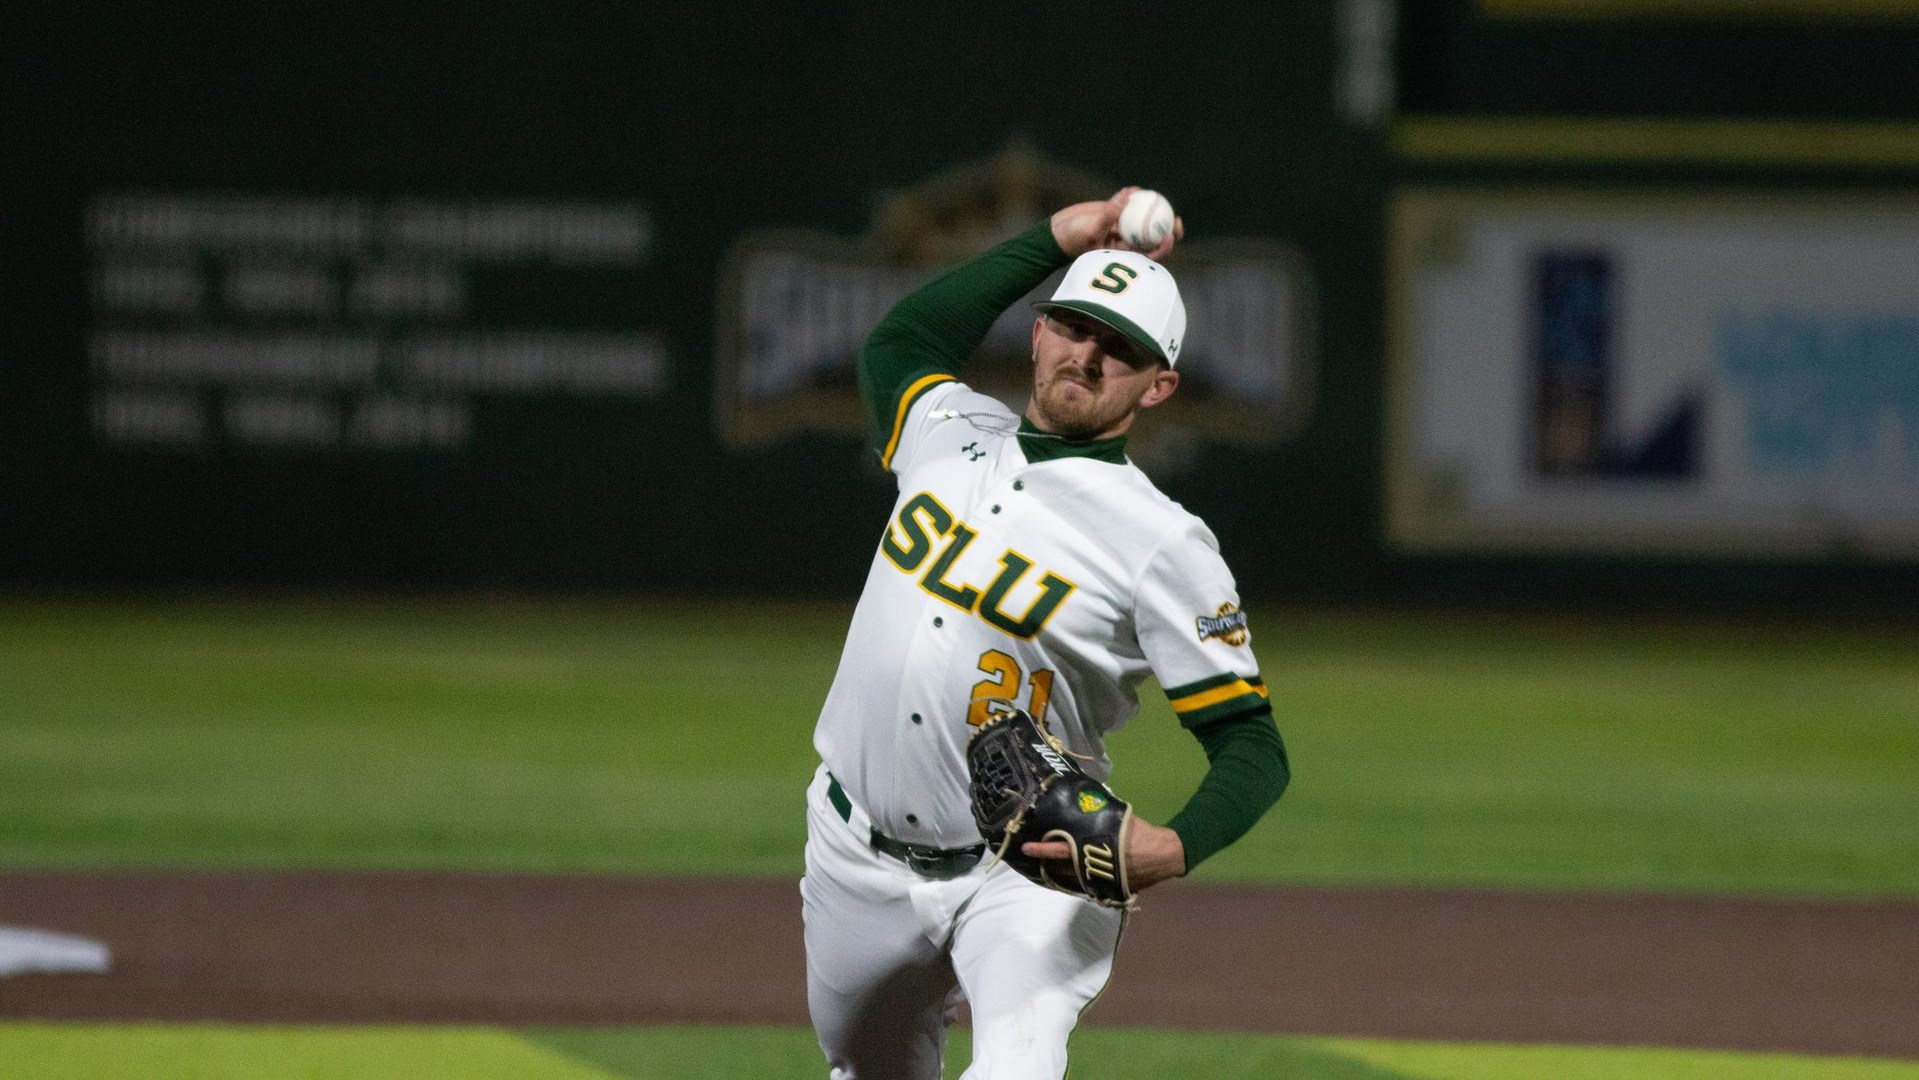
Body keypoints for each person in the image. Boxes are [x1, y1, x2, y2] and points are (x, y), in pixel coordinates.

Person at [802, 188, 1291, 1080]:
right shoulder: (945, 434)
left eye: (1120, 349)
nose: (1087, 355)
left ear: (1159, 384)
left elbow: (1252, 747)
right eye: (1072, 327)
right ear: (1037, 335)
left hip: (1030, 866)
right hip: (852, 854)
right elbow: (902, 340)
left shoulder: (1164, 543)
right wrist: (1056, 237)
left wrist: (1172, 847)